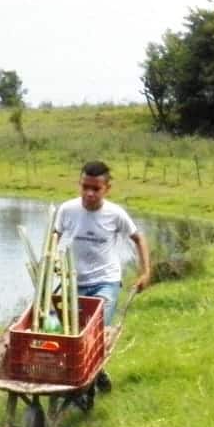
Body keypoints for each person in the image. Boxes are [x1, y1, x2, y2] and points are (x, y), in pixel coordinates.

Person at [54, 160, 152, 391]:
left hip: (105, 282)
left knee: (94, 331)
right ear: (79, 185)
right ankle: (94, 373)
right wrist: (54, 261)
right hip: (74, 282)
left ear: (107, 188)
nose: (89, 194)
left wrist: (146, 272)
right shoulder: (67, 210)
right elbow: (55, 236)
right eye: (85, 187)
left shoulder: (116, 214)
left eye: (95, 189)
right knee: (69, 332)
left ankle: (90, 374)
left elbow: (139, 239)